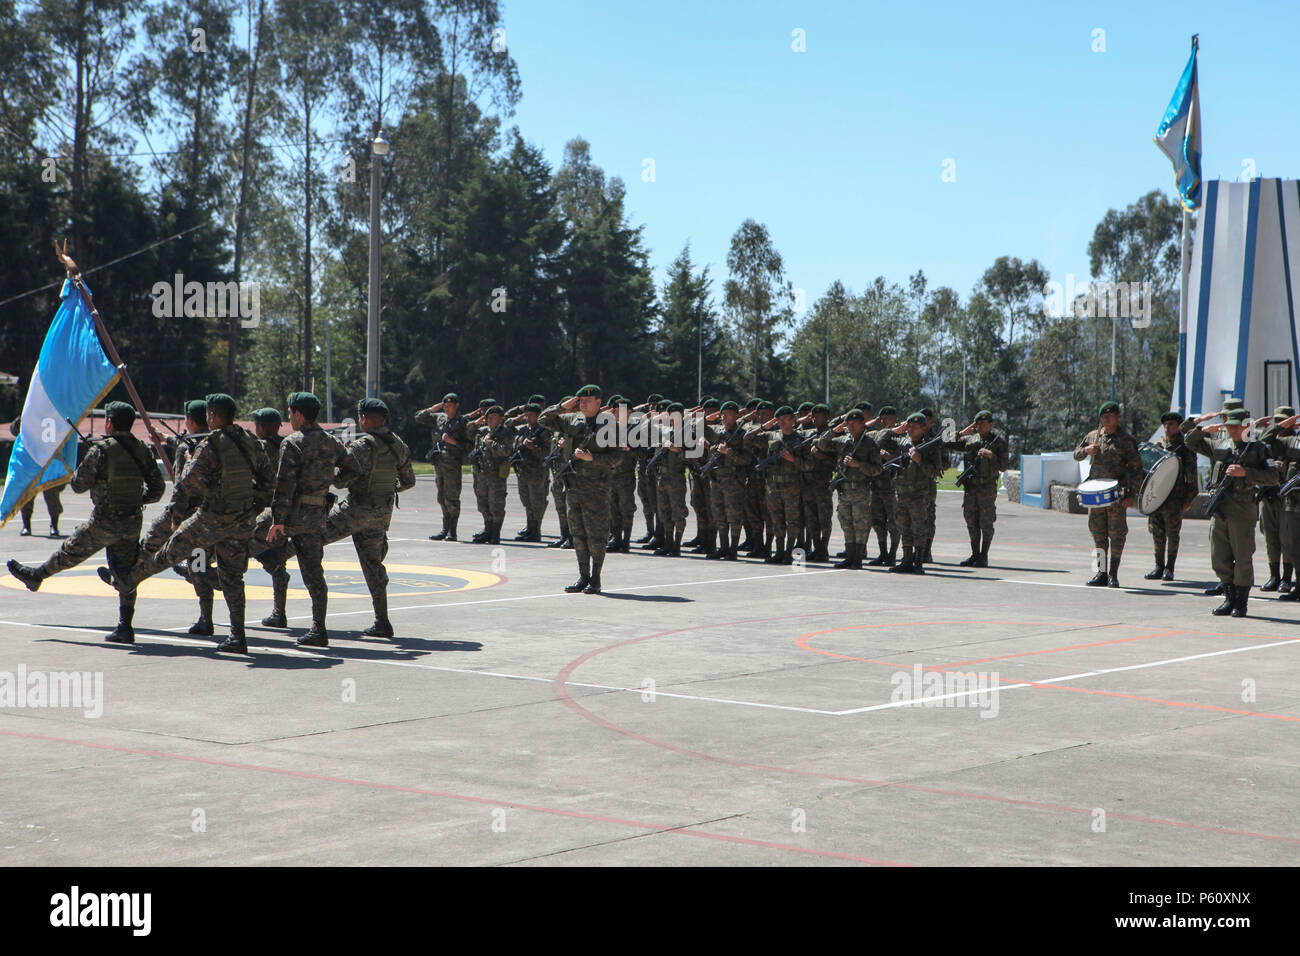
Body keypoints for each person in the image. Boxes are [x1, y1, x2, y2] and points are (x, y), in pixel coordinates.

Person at [100, 393, 274, 653]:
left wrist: (177, 518)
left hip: (211, 517)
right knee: (232, 577)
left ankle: (126, 581)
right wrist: (251, 507)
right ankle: (238, 637)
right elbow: (269, 482)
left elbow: (186, 485)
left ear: (213, 416)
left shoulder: (211, 444)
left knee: (168, 554)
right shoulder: (249, 440)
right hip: (241, 519)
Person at [8, 402, 164, 644]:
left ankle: (37, 575)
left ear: (109, 422)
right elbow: (157, 488)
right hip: (131, 522)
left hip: (104, 521)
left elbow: (78, 486)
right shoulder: (142, 449)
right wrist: (136, 500)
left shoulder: (100, 451)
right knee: (126, 572)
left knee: (70, 551)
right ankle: (125, 626)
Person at [322, 398, 416, 637]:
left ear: (364, 418)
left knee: (312, 537)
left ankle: (275, 566)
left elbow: (341, 480)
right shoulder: (399, 445)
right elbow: (408, 481)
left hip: (355, 510)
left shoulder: (362, 446)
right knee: (373, 565)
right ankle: (382, 621)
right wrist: (385, 488)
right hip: (381, 514)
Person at [266, 392, 351, 647]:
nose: (289, 417)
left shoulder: (292, 443)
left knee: (252, 542)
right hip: (316, 516)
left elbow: (284, 484)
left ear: (299, 414)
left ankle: (212, 575)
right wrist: (332, 480)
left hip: (292, 515)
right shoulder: (331, 442)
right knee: (314, 573)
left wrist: (277, 520)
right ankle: (318, 628)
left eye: (290, 412)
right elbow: (353, 467)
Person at [1181, 408, 1277, 616]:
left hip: (1242, 510)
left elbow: (1273, 477)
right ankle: (1228, 597)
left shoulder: (1258, 448)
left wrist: (1246, 473)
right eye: (1229, 426)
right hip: (1220, 509)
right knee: (1219, 556)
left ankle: (1241, 603)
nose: (1232, 430)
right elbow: (1190, 442)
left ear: (1247, 426)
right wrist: (1202, 428)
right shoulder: (1220, 444)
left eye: (1236, 426)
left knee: (1242, 558)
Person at [539, 386, 618, 593]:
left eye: (588, 400)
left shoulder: (609, 425)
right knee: (578, 535)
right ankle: (583, 577)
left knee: (597, 536)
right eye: (580, 400)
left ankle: (596, 579)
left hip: (596, 490)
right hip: (573, 488)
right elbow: (543, 420)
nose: (583, 404)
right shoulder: (572, 420)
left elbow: (617, 457)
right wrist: (563, 406)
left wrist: (592, 459)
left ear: (599, 402)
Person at [1073, 401, 1143, 588]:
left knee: (1117, 534)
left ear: (1118, 417)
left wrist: (1131, 494)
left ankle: (1113, 573)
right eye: (1104, 416)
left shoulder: (1126, 440)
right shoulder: (1093, 436)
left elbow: (1137, 470)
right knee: (1098, 534)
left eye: (1110, 415)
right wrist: (1086, 451)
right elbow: (1076, 454)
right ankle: (1101, 572)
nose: (1106, 418)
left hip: (1116, 495)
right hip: (1096, 494)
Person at [817, 409, 884, 569]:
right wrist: (835, 429)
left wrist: (859, 465)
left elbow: (878, 469)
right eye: (849, 424)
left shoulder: (869, 443)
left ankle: (858, 559)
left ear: (863, 424)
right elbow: (822, 443)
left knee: (860, 524)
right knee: (846, 522)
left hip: (860, 490)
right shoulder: (843, 441)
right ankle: (849, 556)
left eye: (855, 424)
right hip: (844, 490)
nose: (852, 427)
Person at [744, 405, 809, 565]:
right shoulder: (771, 436)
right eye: (778, 419)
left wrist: (793, 460)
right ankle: (779, 552)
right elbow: (747, 439)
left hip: (791, 487)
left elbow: (809, 466)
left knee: (792, 521)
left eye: (785, 418)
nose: (781, 422)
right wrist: (765, 425)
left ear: (793, 420)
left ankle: (789, 552)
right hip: (773, 487)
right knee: (776, 520)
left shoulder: (801, 439)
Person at [945, 410, 1009, 567]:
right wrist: (962, 432)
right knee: (971, 521)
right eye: (977, 423)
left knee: (986, 522)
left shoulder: (999, 442)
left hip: (987, 489)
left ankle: (983, 556)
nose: (980, 426)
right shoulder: (969, 440)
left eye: (983, 423)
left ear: (991, 424)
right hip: (970, 488)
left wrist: (991, 456)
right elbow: (945, 441)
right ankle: (974, 554)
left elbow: (1004, 466)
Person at [1143, 411, 1200, 581]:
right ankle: (1158, 566)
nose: (1167, 428)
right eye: (1165, 424)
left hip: (1175, 498)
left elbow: (1192, 475)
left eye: (1171, 424)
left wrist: (1188, 499)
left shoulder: (1185, 447)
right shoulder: (1157, 445)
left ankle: (1170, 567)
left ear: (1178, 426)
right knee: (1157, 533)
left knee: (1172, 533)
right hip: (1156, 497)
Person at [889, 412, 944, 574]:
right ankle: (906, 560)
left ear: (923, 428)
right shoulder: (903, 444)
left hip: (919, 495)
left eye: (914, 427)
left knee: (919, 528)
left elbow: (935, 472)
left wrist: (920, 460)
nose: (910, 429)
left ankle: (918, 561)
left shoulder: (931, 447)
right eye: (909, 426)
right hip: (902, 493)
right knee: (904, 527)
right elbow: (882, 440)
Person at [415, 393, 473, 541]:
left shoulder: (463, 422)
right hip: (439, 464)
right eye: (445, 406)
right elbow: (419, 418)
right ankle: (444, 529)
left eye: (449, 406)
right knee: (441, 498)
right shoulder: (439, 418)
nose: (446, 409)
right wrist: (432, 409)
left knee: (452, 498)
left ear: (457, 406)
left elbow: (469, 447)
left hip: (453, 466)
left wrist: (453, 442)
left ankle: (452, 531)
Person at [702, 401, 751, 560]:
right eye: (722, 414)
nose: (724, 417)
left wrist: (729, 452)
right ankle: (723, 547)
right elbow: (694, 426)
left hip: (733, 480)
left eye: (728, 414)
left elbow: (747, 459)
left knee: (734, 516)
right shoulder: (716, 432)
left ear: (737, 415)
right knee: (719, 515)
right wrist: (709, 417)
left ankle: (733, 549)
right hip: (716, 479)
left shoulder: (743, 434)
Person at [1258, 405, 1296, 591]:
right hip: (1269, 495)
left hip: (1288, 498)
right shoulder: (1270, 441)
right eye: (1277, 421)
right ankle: (1274, 576)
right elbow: (1262, 439)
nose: (1280, 423)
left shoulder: (1295, 440)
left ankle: (1287, 578)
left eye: (1284, 420)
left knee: (1287, 539)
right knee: (1270, 537)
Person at [9, 416, 65, 536]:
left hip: (49, 460)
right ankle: (26, 526)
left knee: (52, 494)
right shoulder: (30, 412)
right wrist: (22, 417)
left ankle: (54, 526)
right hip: (31, 460)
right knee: (27, 494)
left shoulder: (52, 414)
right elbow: (14, 430)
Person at [469, 404, 512, 544]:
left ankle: (495, 534)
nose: (490, 420)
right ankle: (487, 531)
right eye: (489, 417)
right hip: (482, 474)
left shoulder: (505, 433)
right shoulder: (482, 432)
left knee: (496, 505)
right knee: (483, 504)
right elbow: (468, 431)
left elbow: (505, 451)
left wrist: (490, 443)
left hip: (496, 475)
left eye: (494, 417)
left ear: (501, 419)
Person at [510, 402, 551, 543]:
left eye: (531, 415)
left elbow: (548, 453)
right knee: (527, 502)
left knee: (537, 502)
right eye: (526, 415)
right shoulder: (522, 430)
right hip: (523, 471)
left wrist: (533, 447)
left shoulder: (544, 431)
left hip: (537, 472)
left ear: (538, 416)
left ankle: (536, 531)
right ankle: (529, 528)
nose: (528, 417)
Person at [801, 403, 837, 562]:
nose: (814, 419)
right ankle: (816, 548)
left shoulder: (833, 436)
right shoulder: (808, 434)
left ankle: (823, 549)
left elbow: (837, 462)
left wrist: (822, 457)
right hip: (808, 483)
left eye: (818, 416)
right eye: (813, 416)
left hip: (823, 484)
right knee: (811, 519)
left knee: (824, 519)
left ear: (827, 417)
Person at [866, 405, 900, 565]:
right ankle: (883, 553)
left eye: (888, 418)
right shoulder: (873, 435)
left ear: (895, 419)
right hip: (876, 485)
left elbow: (907, 457)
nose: (885, 421)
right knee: (877, 521)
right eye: (882, 418)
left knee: (893, 522)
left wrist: (891, 457)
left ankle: (892, 554)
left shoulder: (901, 437)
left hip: (892, 486)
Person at [605, 396, 638, 553]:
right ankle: (615, 538)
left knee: (626, 508)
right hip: (611, 474)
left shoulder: (635, 429)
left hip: (625, 475)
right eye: (614, 411)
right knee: (612, 508)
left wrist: (629, 449)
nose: (615, 413)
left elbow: (643, 453)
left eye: (618, 411)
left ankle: (626, 540)